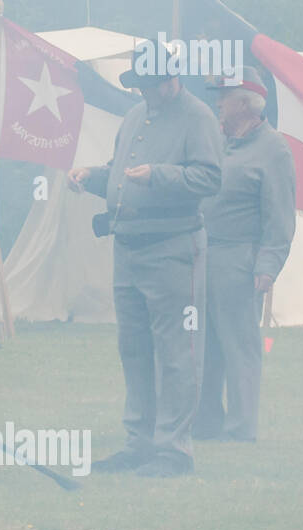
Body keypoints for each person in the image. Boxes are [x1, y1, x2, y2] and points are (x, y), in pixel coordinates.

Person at [67, 38, 222, 477]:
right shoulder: (135, 115)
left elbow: (210, 178)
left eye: (151, 84)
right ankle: (139, 443)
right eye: (141, 84)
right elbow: (121, 170)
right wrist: (94, 177)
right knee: (134, 350)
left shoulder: (199, 117)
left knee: (177, 352)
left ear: (172, 80)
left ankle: (174, 450)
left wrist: (160, 175)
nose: (145, 92)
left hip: (173, 248)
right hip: (129, 245)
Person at [193, 69, 296, 442]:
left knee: (239, 347)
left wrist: (268, 265)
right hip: (200, 256)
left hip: (239, 260)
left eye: (224, 97)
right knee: (202, 345)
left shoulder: (274, 149)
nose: (217, 103)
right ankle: (204, 421)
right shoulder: (216, 142)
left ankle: (240, 428)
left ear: (245, 104)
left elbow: (280, 216)